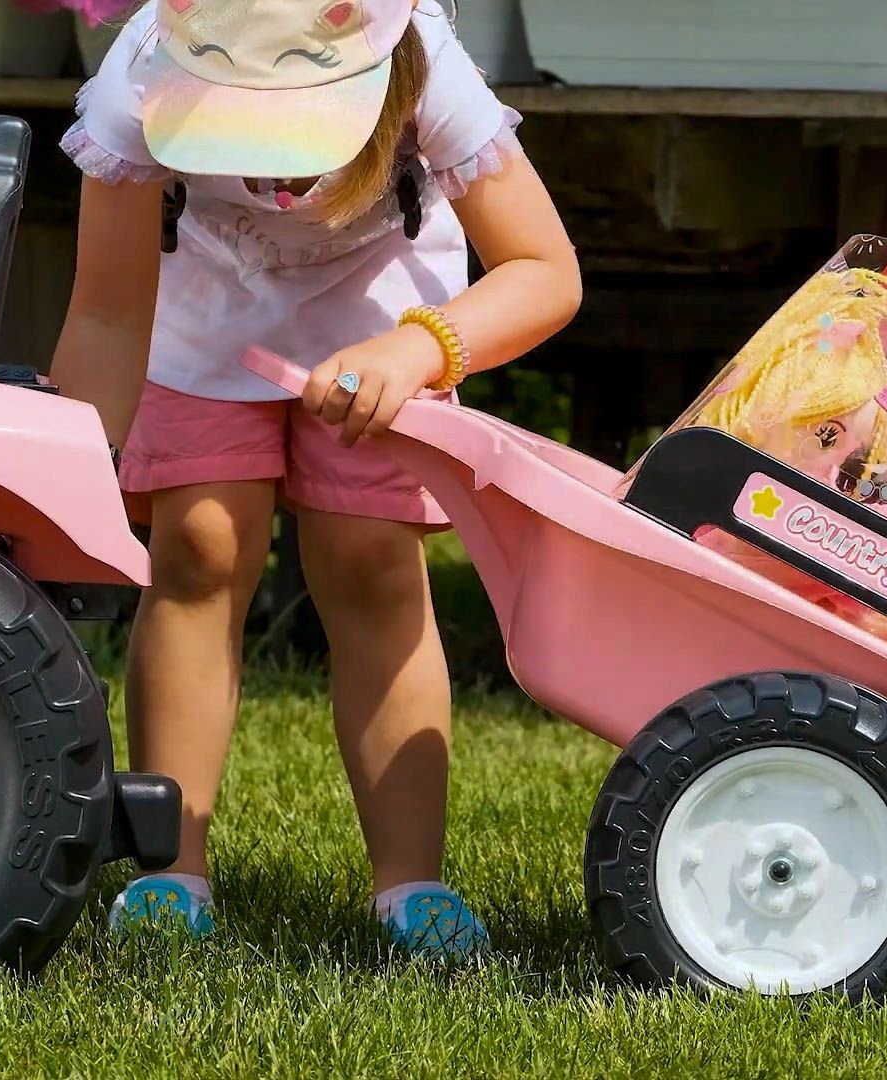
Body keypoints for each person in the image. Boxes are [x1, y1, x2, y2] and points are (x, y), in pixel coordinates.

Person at [51, 0, 581, 956]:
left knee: (370, 559)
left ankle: (409, 882)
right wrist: (60, 478)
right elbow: (107, 315)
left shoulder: (423, 61)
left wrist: (420, 350)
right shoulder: (143, 76)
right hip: (205, 314)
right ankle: (173, 868)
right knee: (200, 546)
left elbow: (544, 270)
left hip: (382, 316)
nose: (280, 175)